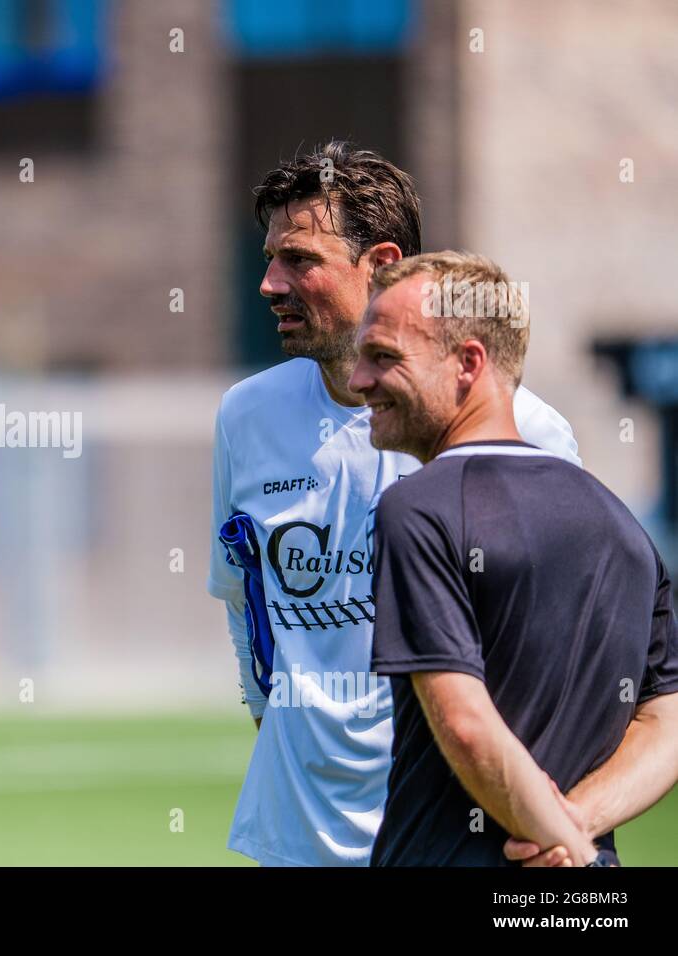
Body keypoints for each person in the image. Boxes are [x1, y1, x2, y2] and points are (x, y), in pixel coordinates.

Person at [208, 142, 580, 866]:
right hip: (296, 841)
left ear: (381, 264)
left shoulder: (526, 433)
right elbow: (242, 602)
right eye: (268, 257)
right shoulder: (245, 416)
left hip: (452, 840)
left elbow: (555, 657)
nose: (269, 284)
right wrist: (273, 725)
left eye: (300, 260)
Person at [357, 251, 678, 865]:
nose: (359, 380)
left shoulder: (419, 509)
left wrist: (562, 841)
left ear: (468, 363)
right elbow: (666, 723)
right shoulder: (621, 523)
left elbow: (468, 724)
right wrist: (574, 828)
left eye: (385, 357)